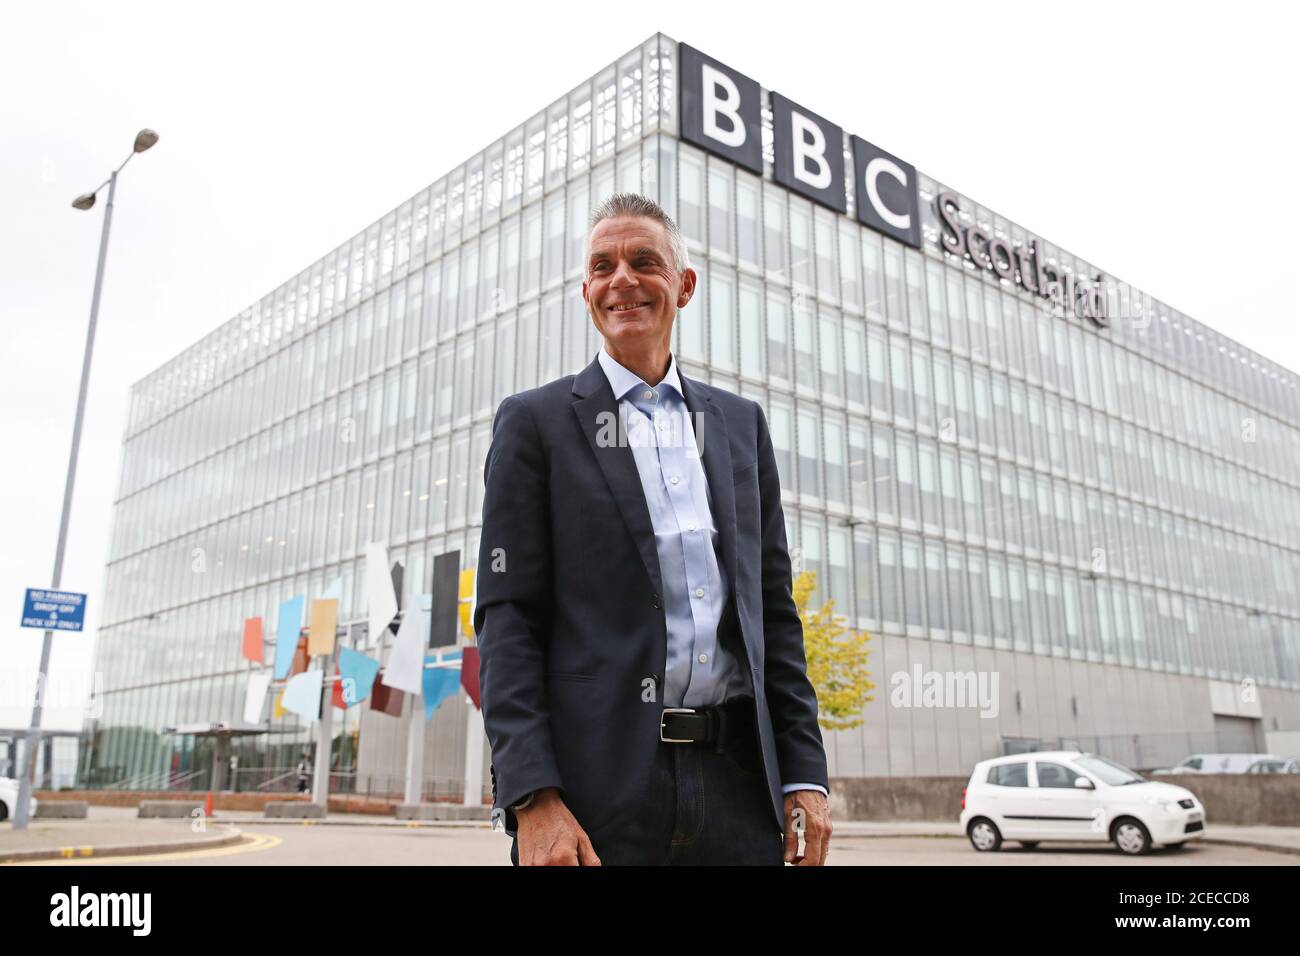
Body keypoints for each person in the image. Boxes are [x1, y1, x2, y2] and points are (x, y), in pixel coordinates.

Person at [474, 193, 832, 865]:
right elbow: (507, 619)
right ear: (587, 291)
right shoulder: (535, 424)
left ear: (684, 285)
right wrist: (532, 798)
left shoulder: (740, 427)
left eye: (644, 261)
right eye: (603, 266)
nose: (623, 280)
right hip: (592, 803)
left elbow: (773, 615)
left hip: (737, 796)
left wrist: (804, 775)